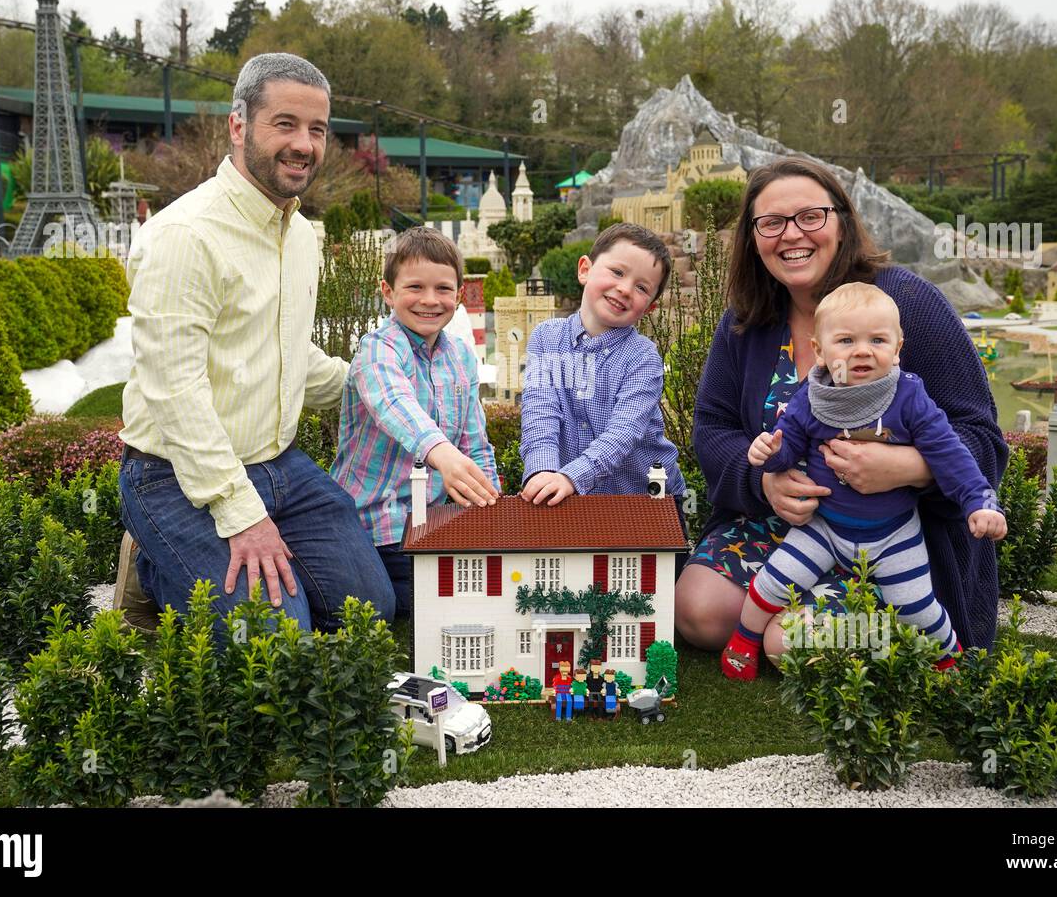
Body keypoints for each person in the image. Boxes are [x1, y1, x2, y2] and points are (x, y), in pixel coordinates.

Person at [675, 157, 1007, 661]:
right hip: (787, 528)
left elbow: (981, 435)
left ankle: (887, 626)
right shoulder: (748, 320)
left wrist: (911, 468)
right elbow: (713, 427)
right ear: (753, 237)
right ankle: (809, 614)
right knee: (698, 613)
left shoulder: (907, 304)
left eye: (811, 216)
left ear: (842, 221)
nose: (792, 235)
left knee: (786, 642)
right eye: (771, 223)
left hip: (893, 536)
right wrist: (762, 481)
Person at [117, 52, 394, 634]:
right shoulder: (184, 237)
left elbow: (294, 359)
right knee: (273, 643)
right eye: (285, 124)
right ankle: (157, 565)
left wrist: (387, 384)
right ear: (238, 125)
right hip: (176, 477)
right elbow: (176, 395)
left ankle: (186, 568)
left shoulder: (300, 236)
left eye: (317, 130)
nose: (305, 144)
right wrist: (241, 516)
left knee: (369, 610)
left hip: (280, 466)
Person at [720, 282, 1008, 679]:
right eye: (845, 340)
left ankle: (949, 657)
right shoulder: (813, 395)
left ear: (898, 347)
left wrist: (978, 500)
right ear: (819, 351)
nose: (861, 350)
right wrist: (770, 455)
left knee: (917, 607)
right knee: (773, 581)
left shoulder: (908, 397)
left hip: (893, 534)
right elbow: (792, 442)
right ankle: (744, 638)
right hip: (824, 526)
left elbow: (950, 453)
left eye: (877, 339)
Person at [330, 226, 499, 617]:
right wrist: (442, 454)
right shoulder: (379, 348)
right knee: (414, 606)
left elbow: (475, 443)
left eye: (442, 289)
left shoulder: (460, 355)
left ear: (459, 295)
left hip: (432, 521)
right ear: (388, 292)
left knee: (482, 588)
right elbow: (394, 402)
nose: (429, 300)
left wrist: (491, 509)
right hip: (374, 522)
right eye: (414, 288)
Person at [520, 222, 686, 515]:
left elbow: (622, 434)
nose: (624, 289)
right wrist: (542, 472)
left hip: (646, 502)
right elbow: (540, 411)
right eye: (618, 272)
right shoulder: (546, 338)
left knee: (648, 561)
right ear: (585, 269)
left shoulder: (643, 358)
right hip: (573, 500)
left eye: (642, 287)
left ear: (649, 307)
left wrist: (572, 476)